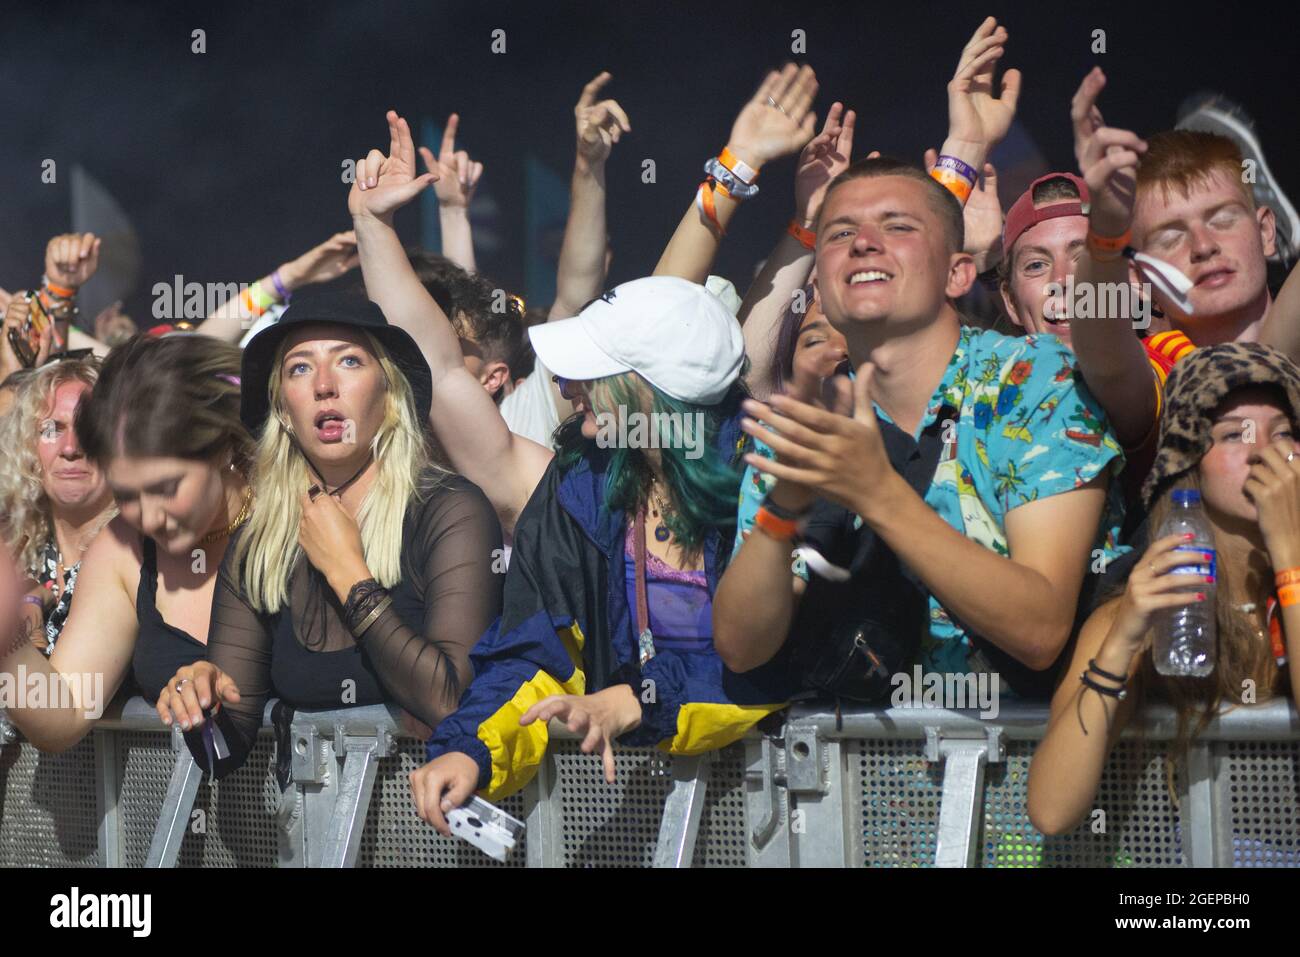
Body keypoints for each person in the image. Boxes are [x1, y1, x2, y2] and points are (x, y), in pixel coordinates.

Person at [346, 105, 798, 834]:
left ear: (651, 391)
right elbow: (532, 654)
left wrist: (639, 700)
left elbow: (788, 666)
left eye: (592, 371)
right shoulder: (581, 483)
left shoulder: (776, 477)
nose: (566, 386)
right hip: (651, 825)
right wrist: (470, 751)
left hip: (794, 826)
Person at [714, 151, 1127, 694]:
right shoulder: (809, 421)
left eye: (897, 226)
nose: (863, 242)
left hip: (1021, 763)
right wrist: (782, 508)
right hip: (862, 776)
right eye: (839, 234)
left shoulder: (1031, 380)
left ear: (958, 273)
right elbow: (742, 649)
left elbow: (1041, 628)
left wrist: (878, 493)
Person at [153, 292, 504, 776]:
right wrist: (200, 705)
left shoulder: (450, 509)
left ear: (391, 393)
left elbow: (449, 701)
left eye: (349, 361)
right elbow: (223, 756)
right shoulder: (262, 539)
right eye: (300, 368)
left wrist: (348, 574)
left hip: (428, 836)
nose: (323, 385)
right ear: (281, 409)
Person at [1028, 342, 1300, 835]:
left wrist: (1291, 556)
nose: (1264, 451)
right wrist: (1122, 643)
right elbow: (1052, 811)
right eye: (1233, 434)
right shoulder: (1147, 600)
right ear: (1188, 459)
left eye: (1282, 432)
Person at [0, 334, 253, 750]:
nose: (150, 517)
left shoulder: (294, 513)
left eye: (166, 487)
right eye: (128, 495)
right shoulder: (122, 548)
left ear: (220, 447)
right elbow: (64, 714)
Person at [0, 357, 116, 652]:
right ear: (27, 447)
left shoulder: (138, 556)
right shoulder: (17, 548)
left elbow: (74, 698)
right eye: (52, 429)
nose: (70, 448)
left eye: (88, 427)